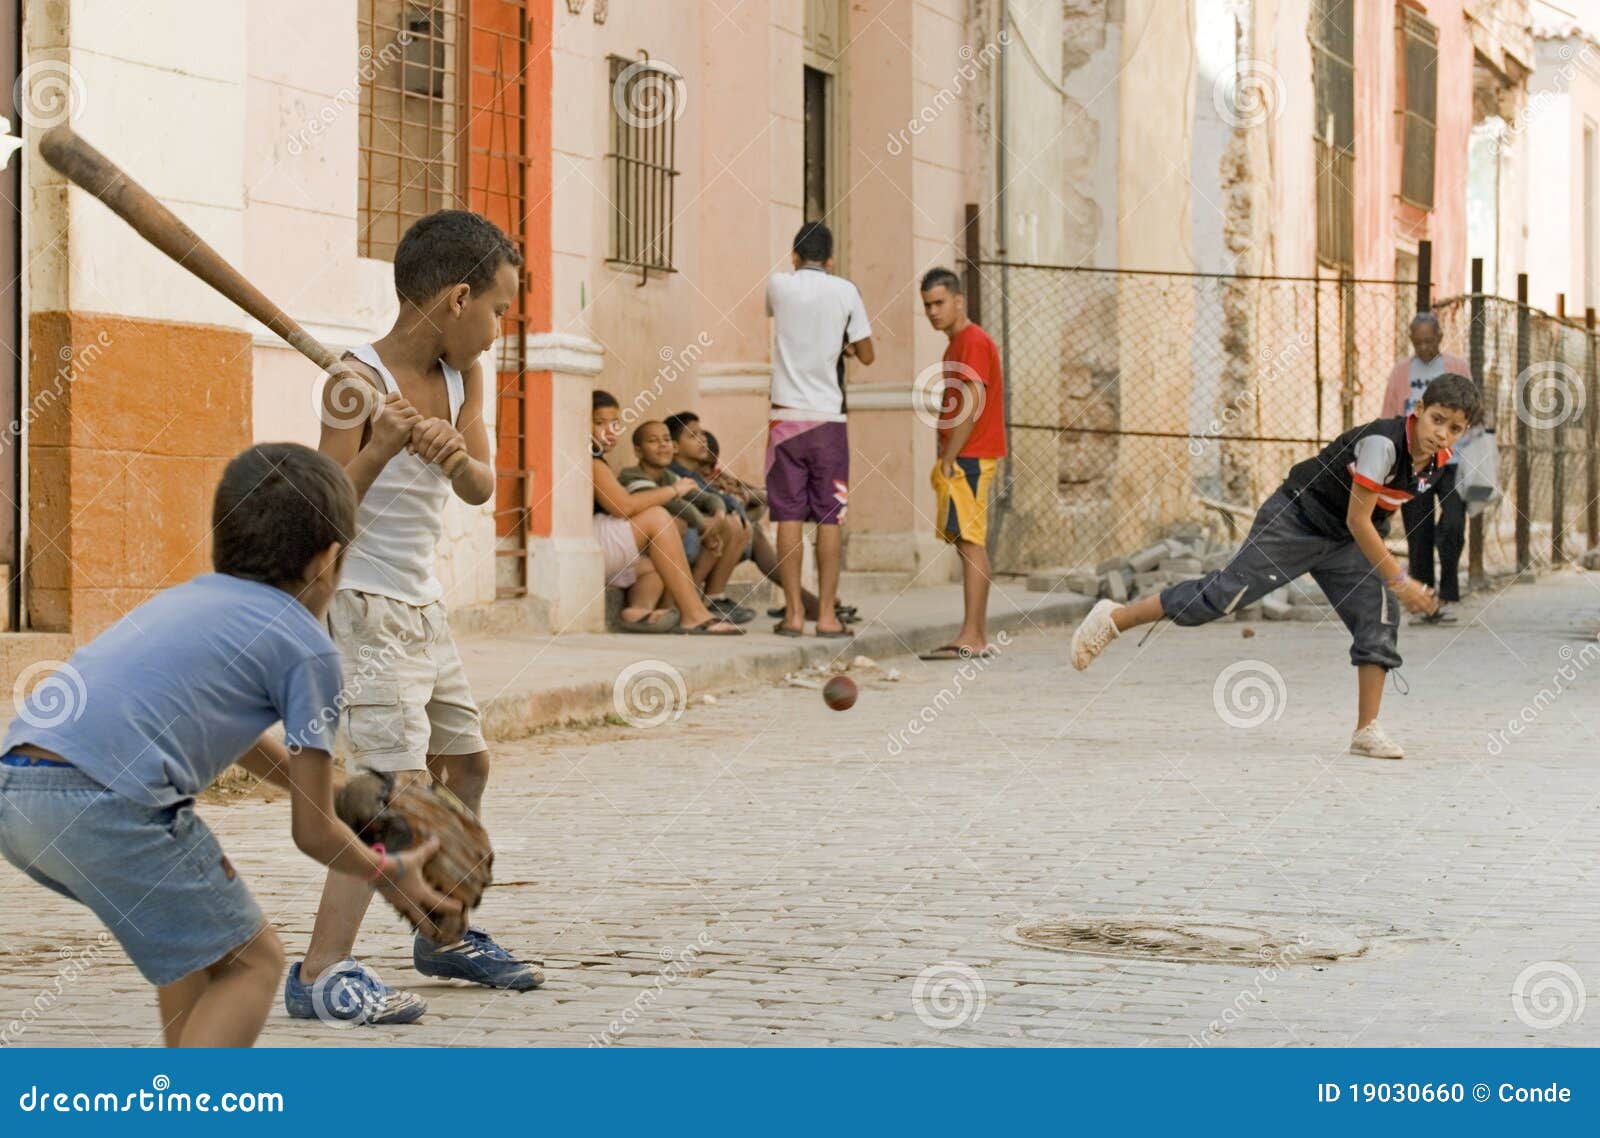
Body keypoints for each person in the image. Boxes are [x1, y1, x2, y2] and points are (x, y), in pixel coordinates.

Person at [0, 445, 460, 1047]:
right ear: (330, 560)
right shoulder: (307, 648)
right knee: (253, 963)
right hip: (113, 803)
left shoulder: (190, 598)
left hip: (19, 788)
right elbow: (314, 833)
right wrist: (392, 871)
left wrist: (331, 783)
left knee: (193, 953)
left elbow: (233, 731)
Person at [289, 210, 541, 1028]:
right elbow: (323, 508)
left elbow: (481, 489)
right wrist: (383, 445)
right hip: (362, 607)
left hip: (423, 606)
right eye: (500, 310)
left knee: (466, 767)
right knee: (391, 795)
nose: (500, 329)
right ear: (460, 297)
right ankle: (321, 969)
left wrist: (452, 453)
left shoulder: (465, 380)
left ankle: (441, 929)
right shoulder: (354, 380)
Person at [1069, 374, 1481, 761]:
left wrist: (1396, 582)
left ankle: (1366, 730)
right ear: (1418, 409)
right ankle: (1114, 619)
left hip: (1344, 542)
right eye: (1436, 419)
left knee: (1377, 615)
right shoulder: (1383, 444)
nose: (1441, 433)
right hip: (1298, 520)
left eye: (1454, 428)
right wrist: (1399, 577)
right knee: (1222, 597)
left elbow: (1379, 515)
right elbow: (1359, 518)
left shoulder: (1436, 459)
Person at [765, 221, 874, 638]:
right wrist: (843, 343)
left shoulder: (779, 285)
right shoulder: (846, 291)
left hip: (785, 417)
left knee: (787, 515)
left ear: (794, 256)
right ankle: (826, 616)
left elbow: (781, 318)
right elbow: (867, 354)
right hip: (829, 419)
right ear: (831, 260)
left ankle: (793, 614)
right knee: (830, 517)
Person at [664, 413, 858, 626]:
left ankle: (803, 604)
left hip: (715, 537)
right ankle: (711, 600)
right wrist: (734, 502)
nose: (702, 439)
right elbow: (719, 503)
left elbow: (749, 501)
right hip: (696, 536)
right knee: (740, 525)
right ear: (675, 447)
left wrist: (739, 499)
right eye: (693, 436)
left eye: (701, 434)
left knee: (746, 527)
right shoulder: (677, 475)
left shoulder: (703, 476)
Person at [592, 391, 744, 635]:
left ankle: (638, 611)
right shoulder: (592, 461)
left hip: (604, 547)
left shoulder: (600, 459)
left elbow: (705, 498)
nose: (609, 430)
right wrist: (673, 490)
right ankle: (694, 615)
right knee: (658, 517)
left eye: (614, 423)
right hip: (591, 544)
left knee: (654, 563)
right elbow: (624, 506)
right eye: (599, 423)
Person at [917, 266, 1006, 660]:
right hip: (965, 454)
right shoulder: (956, 344)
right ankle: (975, 634)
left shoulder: (972, 341)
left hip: (970, 455)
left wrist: (949, 458)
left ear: (958, 300)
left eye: (939, 303)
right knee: (966, 541)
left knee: (971, 543)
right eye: (927, 306)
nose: (933, 312)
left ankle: (972, 635)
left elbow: (970, 404)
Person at [1381, 312, 1471, 620]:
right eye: (1417, 342)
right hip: (1416, 460)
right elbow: (1391, 416)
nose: (1423, 348)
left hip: (1451, 459)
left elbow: (1471, 410)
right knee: (1418, 530)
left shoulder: (1456, 367)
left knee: (1454, 523)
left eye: (1429, 341)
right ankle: (1426, 600)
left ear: (1440, 338)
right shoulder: (1401, 372)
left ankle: (1448, 590)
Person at [619, 420, 753, 622]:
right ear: (638, 451)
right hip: (642, 550)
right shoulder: (630, 476)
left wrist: (718, 514)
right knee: (679, 523)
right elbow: (670, 504)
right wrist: (702, 525)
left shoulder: (670, 476)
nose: (663, 445)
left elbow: (706, 497)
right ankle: (671, 605)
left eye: (666, 440)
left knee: (720, 525)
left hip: (669, 547)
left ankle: (687, 603)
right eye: (654, 441)